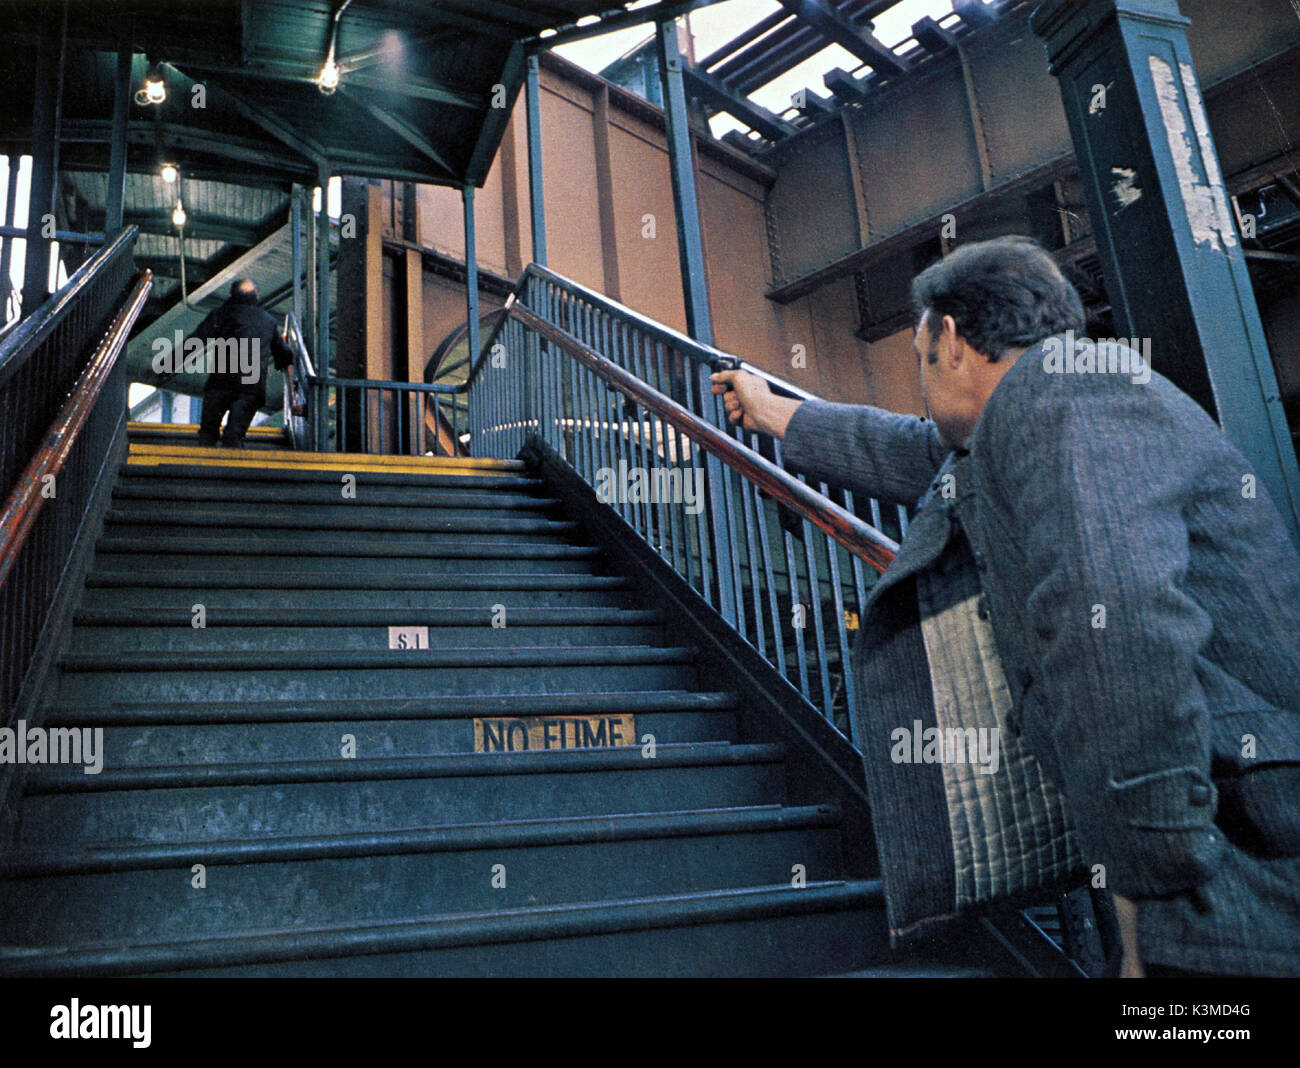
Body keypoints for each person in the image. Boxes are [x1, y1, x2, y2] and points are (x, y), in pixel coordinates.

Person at [711, 235, 1300, 977]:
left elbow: (1117, 627)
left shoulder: (1063, 397)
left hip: (1235, 855)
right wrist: (777, 415)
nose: (924, 387)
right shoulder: (1055, 402)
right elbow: (916, 451)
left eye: (920, 362)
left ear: (952, 340)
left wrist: (1150, 875)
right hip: (1223, 840)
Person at [191, 278, 295, 447]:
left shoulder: (220, 314)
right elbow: (283, 354)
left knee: (208, 434)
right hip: (251, 388)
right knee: (234, 436)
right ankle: (233, 468)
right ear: (256, 296)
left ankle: (203, 466)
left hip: (220, 384)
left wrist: (168, 365)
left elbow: (194, 342)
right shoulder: (268, 321)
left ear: (232, 295)